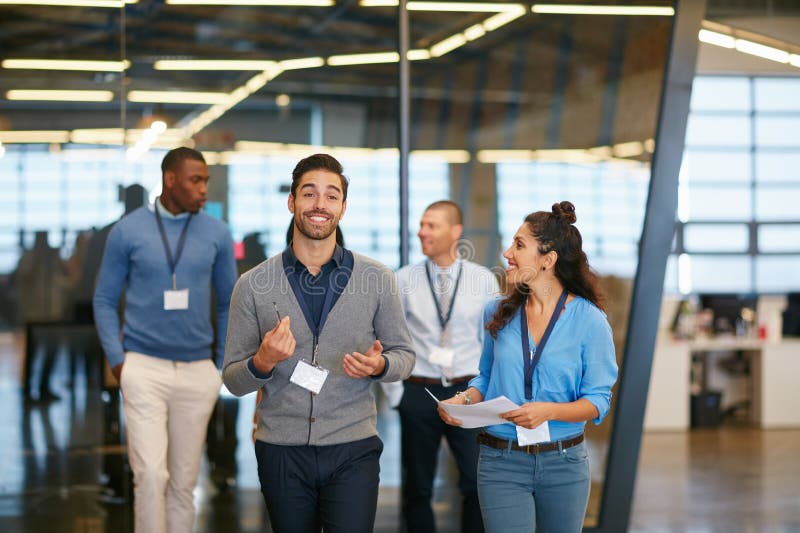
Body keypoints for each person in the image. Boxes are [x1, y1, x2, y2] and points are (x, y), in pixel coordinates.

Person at [223, 153, 415, 533]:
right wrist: (261, 361)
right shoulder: (253, 285)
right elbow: (232, 380)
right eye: (309, 194)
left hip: (353, 444)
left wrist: (380, 366)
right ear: (292, 202)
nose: (319, 205)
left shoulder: (376, 278)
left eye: (331, 196)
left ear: (343, 207)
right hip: (281, 448)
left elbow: (404, 356)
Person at [438, 201, 618, 533]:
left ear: (548, 260)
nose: (507, 252)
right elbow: (487, 376)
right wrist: (463, 400)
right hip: (500, 462)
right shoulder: (496, 311)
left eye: (519, 245)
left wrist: (548, 411)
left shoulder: (590, 321)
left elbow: (598, 401)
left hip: (563, 463)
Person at [93, 147, 238, 533]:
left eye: (206, 180)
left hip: (198, 371)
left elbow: (229, 301)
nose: (204, 189)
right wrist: (118, 360)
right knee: (151, 476)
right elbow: (104, 299)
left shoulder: (217, 232)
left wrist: (220, 363)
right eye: (196, 180)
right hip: (143, 366)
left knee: (182, 483)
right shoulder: (128, 230)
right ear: (170, 179)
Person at [382, 200, 498, 533]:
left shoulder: (483, 280)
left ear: (456, 232)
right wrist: (397, 396)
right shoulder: (402, 279)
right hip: (419, 390)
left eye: (432, 225)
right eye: (422, 224)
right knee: (417, 487)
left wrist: (485, 391)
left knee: (476, 484)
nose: (422, 231)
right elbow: (391, 339)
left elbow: (490, 340)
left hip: (468, 392)